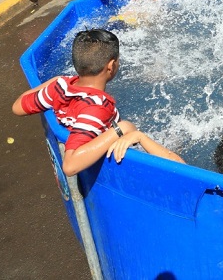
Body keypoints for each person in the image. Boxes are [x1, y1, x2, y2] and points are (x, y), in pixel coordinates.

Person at [12, 29, 137, 176]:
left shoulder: (61, 87)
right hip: (107, 173)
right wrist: (121, 128)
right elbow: (70, 166)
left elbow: (17, 107)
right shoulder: (97, 107)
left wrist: (55, 81)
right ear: (111, 66)